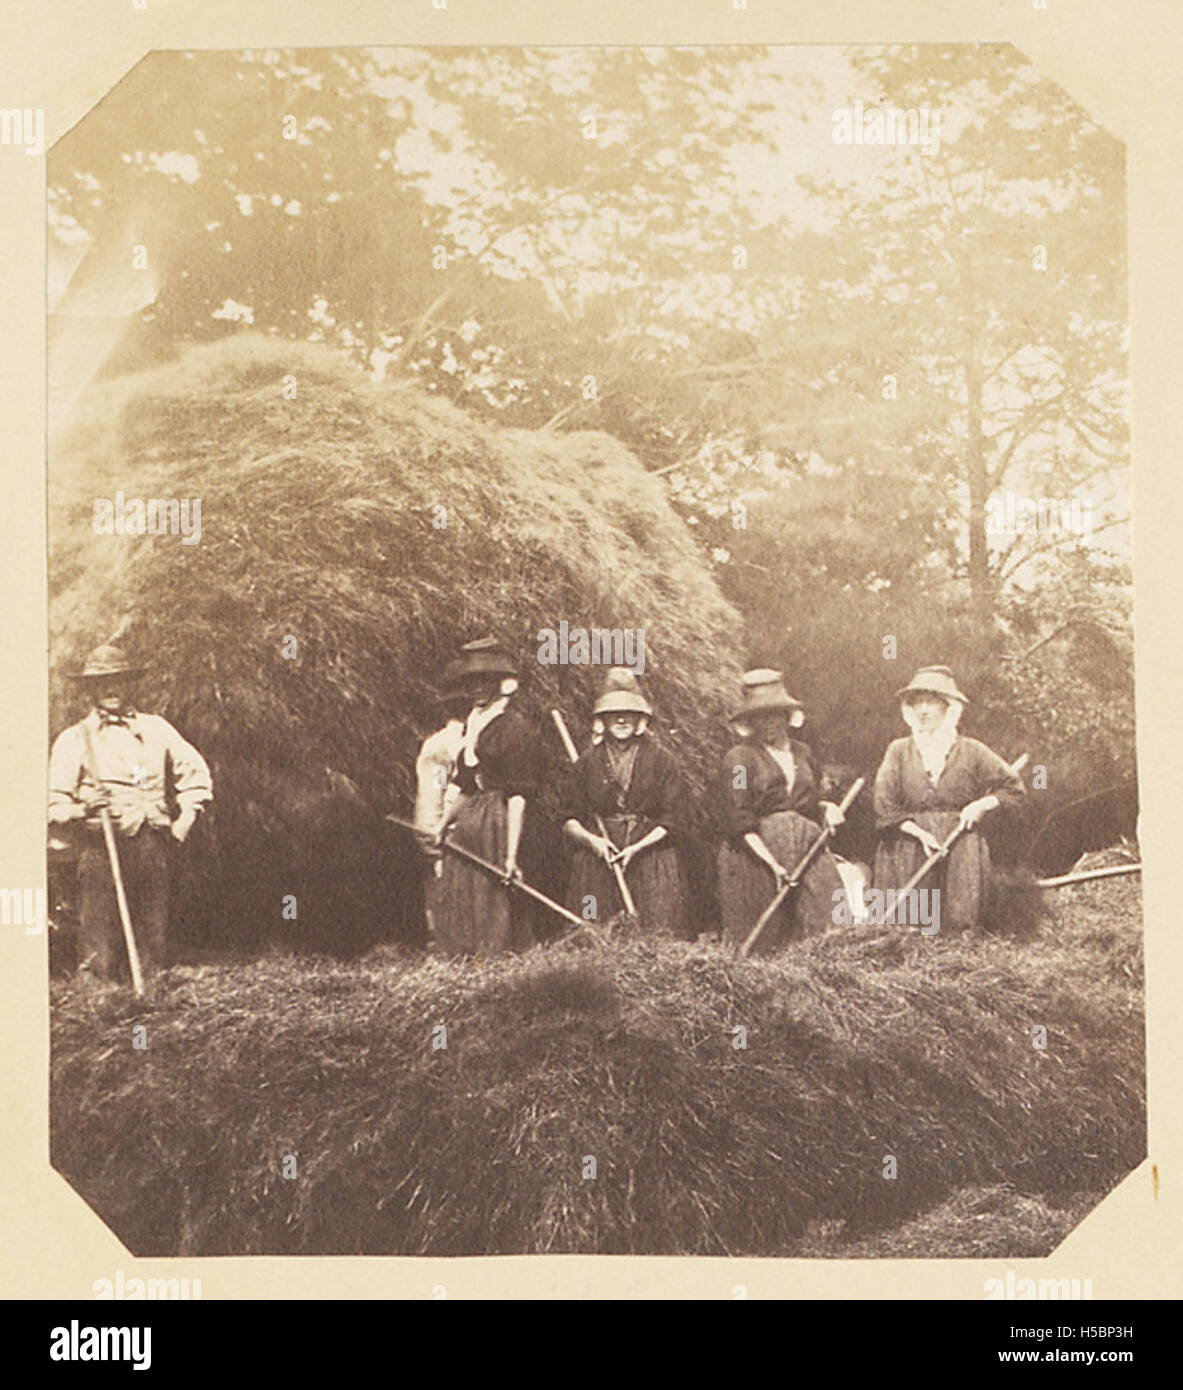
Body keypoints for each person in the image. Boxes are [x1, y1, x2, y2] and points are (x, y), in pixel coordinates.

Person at [48, 643, 213, 979]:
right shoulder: (74, 739)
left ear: (130, 683)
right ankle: (99, 993)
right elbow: (53, 805)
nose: (111, 688)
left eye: (118, 680)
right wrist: (84, 808)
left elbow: (194, 772)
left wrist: (183, 821)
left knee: (152, 926)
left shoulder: (157, 728)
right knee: (99, 931)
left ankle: (150, 985)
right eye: (102, 681)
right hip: (101, 846)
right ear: (90, 688)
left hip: (152, 842)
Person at [872, 665, 1025, 932]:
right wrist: (919, 834)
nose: (923, 710)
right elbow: (885, 805)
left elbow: (1013, 788)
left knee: (959, 924)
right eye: (917, 702)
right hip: (908, 847)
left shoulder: (972, 750)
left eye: (931, 702)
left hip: (960, 846)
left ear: (948, 708)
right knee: (908, 926)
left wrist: (981, 805)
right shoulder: (898, 750)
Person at [716, 670, 846, 953]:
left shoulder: (803, 753)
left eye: (775, 714)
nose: (769, 723)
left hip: (806, 846)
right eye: (760, 716)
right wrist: (772, 864)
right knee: (764, 934)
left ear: (787, 716)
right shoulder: (739, 760)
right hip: (756, 854)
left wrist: (829, 808)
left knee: (827, 913)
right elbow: (737, 816)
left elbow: (812, 801)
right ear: (750, 721)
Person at [559, 667, 688, 936]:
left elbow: (674, 818)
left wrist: (638, 847)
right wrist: (591, 841)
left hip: (651, 857)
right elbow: (567, 817)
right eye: (612, 714)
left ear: (641, 718)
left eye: (628, 713)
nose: (620, 719)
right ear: (601, 720)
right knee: (592, 921)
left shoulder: (663, 760)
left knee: (655, 930)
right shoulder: (586, 762)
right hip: (598, 859)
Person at [433, 638, 541, 957]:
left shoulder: (514, 727)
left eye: (485, 681)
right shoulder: (473, 723)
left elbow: (519, 795)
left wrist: (510, 855)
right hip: (471, 822)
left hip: (499, 819)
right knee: (466, 890)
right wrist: (443, 823)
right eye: (472, 682)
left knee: (496, 894)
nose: (478, 689)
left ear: (499, 683)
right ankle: (469, 959)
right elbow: (466, 786)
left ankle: (498, 958)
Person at [411, 661, 469, 939]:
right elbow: (435, 794)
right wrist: (435, 839)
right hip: (454, 837)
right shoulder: (443, 745)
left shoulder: (488, 735)